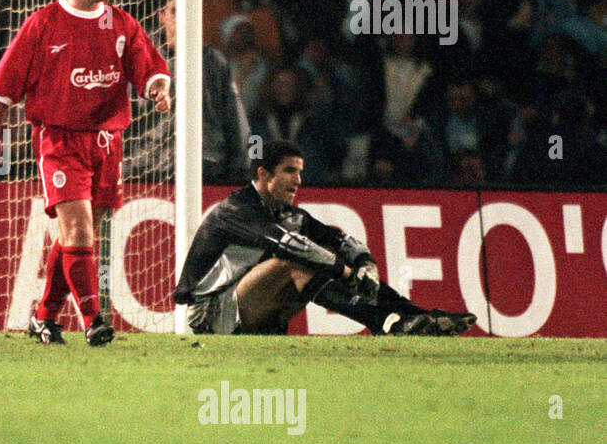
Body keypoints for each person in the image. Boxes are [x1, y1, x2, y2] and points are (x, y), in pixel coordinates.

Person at [0, 0, 171, 346]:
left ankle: (43, 317)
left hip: (107, 142)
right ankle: (93, 320)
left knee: (75, 236)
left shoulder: (121, 23)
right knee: (80, 232)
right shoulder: (45, 22)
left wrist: (159, 88)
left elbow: (148, 67)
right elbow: (6, 82)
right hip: (59, 141)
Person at [174, 139, 476, 336]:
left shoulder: (290, 214)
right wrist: (346, 271)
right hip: (209, 316)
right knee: (294, 261)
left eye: (300, 171)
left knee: (323, 258)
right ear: (264, 174)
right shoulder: (236, 208)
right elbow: (289, 246)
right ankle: (383, 323)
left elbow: (339, 239)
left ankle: (416, 318)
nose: (298, 180)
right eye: (289, 171)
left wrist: (364, 263)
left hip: (251, 316)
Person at [125, 0, 249, 185]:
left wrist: (242, 170)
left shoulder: (214, 62)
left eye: (188, 11)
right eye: (175, 11)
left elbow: (237, 121)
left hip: (205, 171)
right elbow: (122, 118)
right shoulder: (140, 60)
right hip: (148, 172)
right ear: (162, 16)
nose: (182, 18)